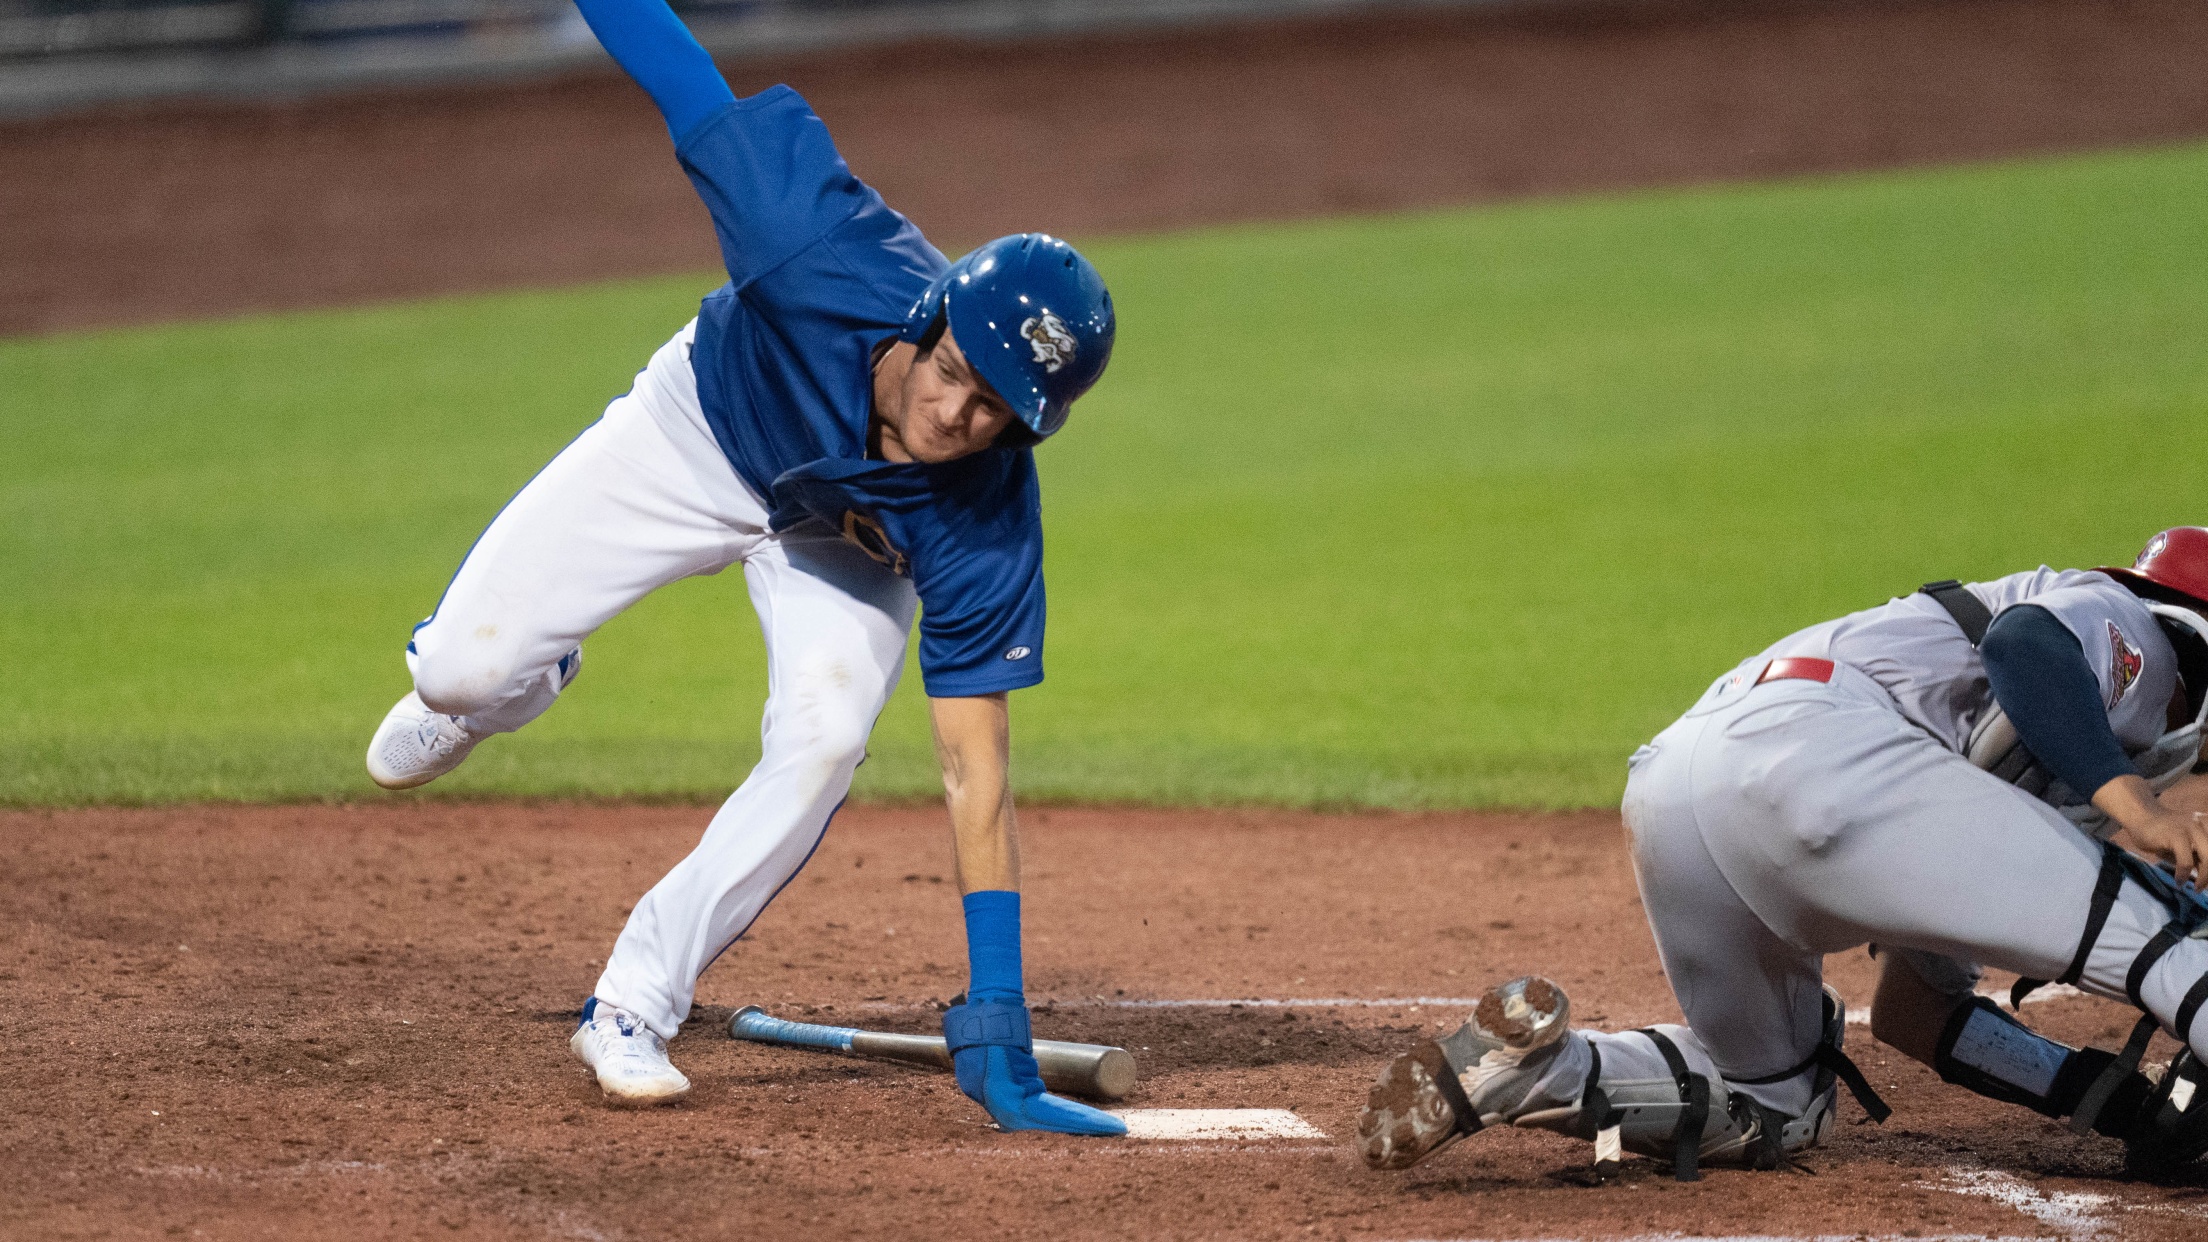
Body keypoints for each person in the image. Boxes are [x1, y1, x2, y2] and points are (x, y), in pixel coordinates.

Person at [361, 0, 1123, 1136]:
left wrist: (999, 1022)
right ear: (931, 317)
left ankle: (632, 1004)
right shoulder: (809, 238)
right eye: (953, 372)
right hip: (702, 432)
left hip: (836, 542)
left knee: (822, 740)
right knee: (462, 677)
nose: (954, 415)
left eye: (997, 413)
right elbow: (684, 80)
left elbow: (977, 773)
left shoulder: (986, 513)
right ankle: (521, 681)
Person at [1358, 528, 2208, 1178]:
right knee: (2177, 941)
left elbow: (1918, 1014)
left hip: (1682, 787)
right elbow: (2027, 644)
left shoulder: (2000, 788)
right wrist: (2136, 808)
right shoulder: (2137, 627)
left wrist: (2122, 1105)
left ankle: (1524, 1072)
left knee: (1773, 1102)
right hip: (1826, 758)